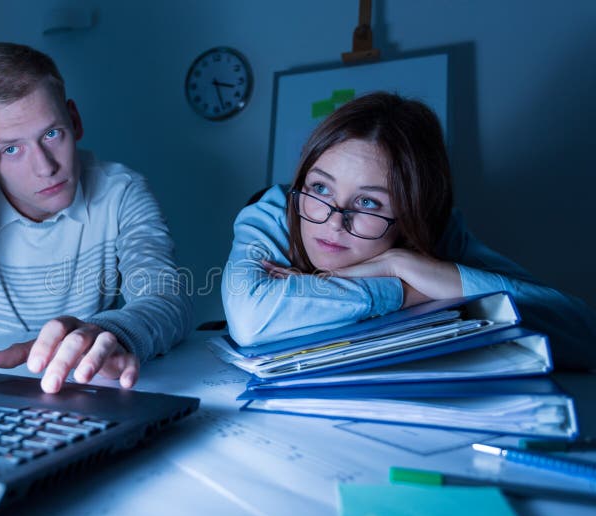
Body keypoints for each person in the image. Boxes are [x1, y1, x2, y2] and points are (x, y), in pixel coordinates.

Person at [222, 91, 596, 370]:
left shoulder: (438, 231)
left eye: (368, 202)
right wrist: (407, 290)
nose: (334, 220)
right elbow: (252, 321)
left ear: (411, 216)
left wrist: (404, 264)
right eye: (320, 188)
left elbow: (581, 332)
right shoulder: (275, 212)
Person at [0, 42, 192, 393]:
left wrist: (111, 333)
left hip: (82, 386)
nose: (46, 167)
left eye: (51, 134)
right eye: (10, 149)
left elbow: (168, 299)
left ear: (74, 121)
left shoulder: (121, 192)